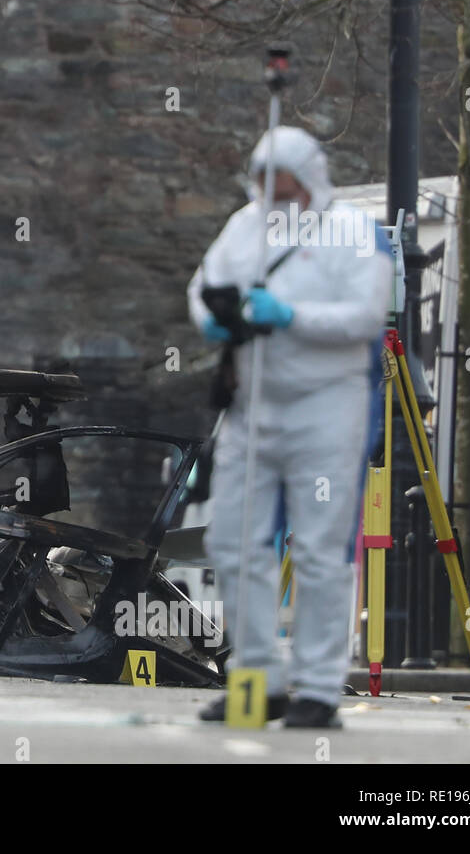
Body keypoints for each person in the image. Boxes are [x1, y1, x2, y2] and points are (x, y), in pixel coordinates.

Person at [185, 126, 392, 728]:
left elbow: (365, 316)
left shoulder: (354, 233)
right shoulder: (243, 226)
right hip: (253, 407)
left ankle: (319, 687)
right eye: (265, 187)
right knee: (231, 539)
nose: (276, 199)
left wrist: (290, 316)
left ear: (312, 184)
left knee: (320, 548)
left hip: (327, 405)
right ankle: (257, 680)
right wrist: (215, 319)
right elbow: (203, 286)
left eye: (287, 188)